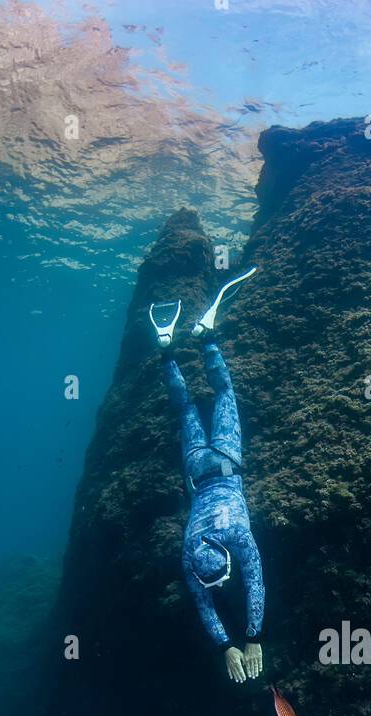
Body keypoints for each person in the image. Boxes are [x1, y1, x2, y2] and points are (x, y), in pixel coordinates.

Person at [149, 269, 263, 684]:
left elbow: (250, 586)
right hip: (197, 468)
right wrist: (233, 642)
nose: (220, 583)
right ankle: (168, 351)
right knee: (185, 410)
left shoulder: (207, 550)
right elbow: (220, 597)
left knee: (224, 395)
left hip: (227, 461)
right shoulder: (194, 550)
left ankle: (206, 337)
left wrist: (244, 640)